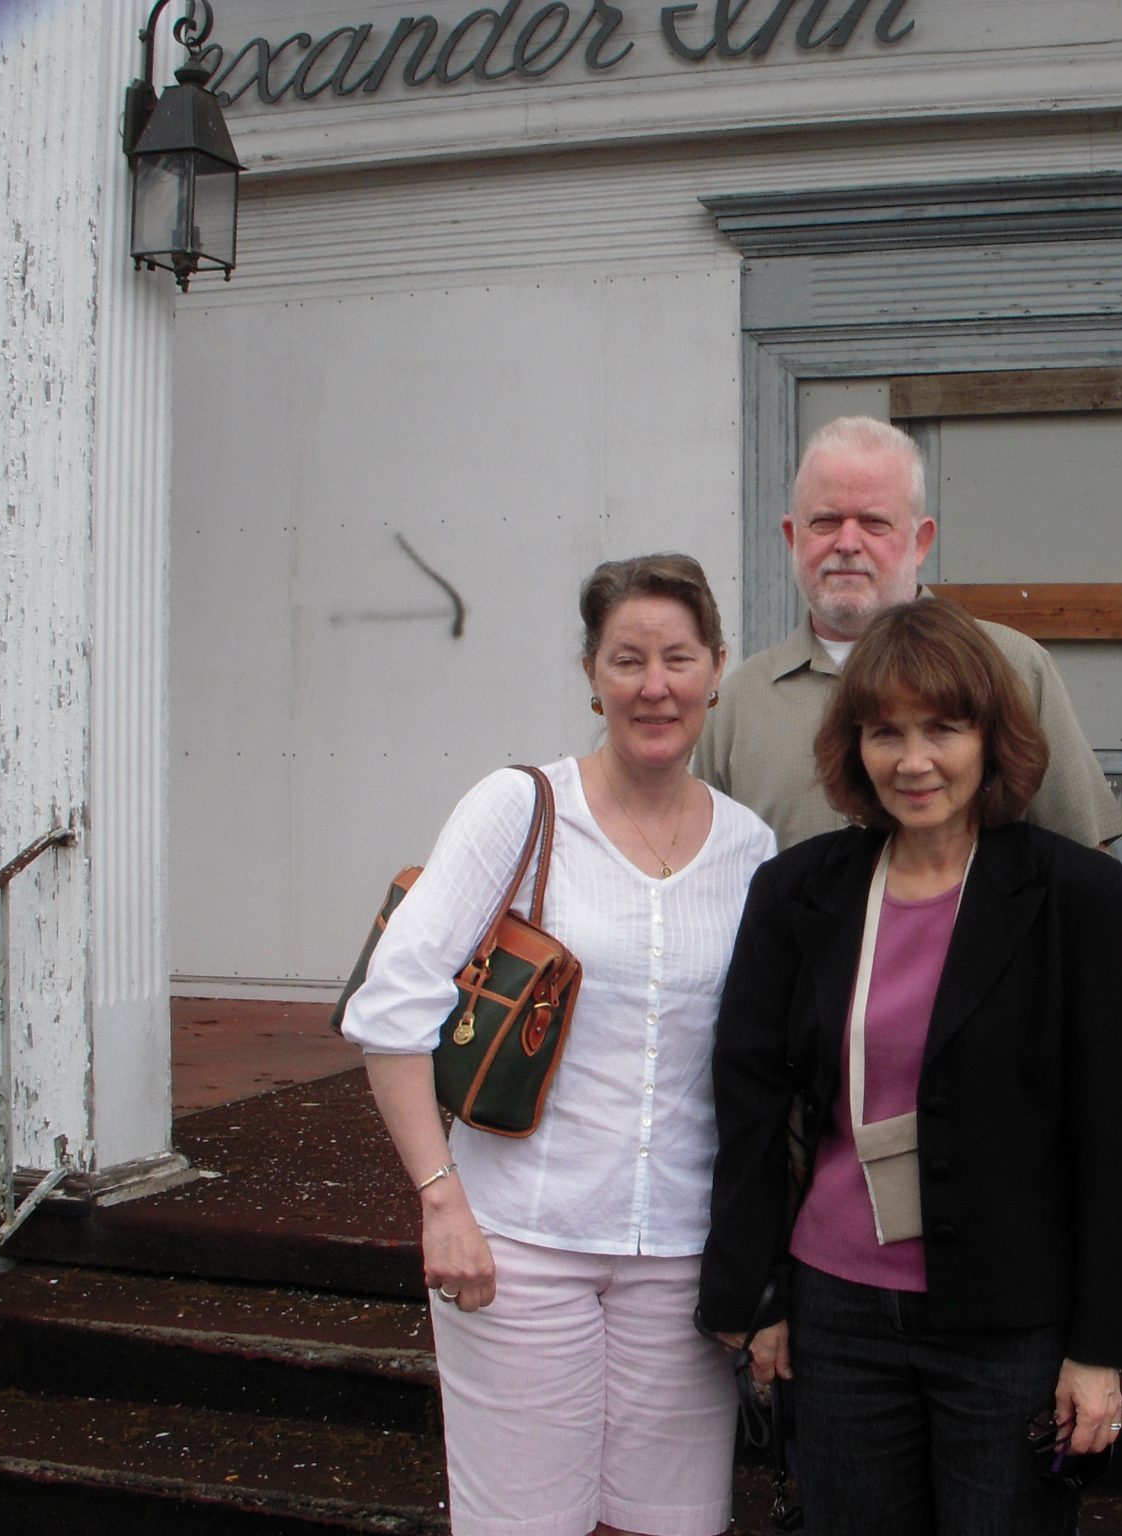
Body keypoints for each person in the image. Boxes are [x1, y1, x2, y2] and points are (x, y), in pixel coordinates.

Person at [340, 554, 776, 1536]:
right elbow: (391, 1008)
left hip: (679, 1256)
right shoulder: (522, 807)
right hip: (517, 1244)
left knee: (666, 1525)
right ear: (590, 672)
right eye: (627, 660)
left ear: (715, 667)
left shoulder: (751, 849)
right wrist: (438, 1200)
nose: (652, 686)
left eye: (676, 658)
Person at [699, 597, 1122, 1536]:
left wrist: (1099, 1351)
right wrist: (755, 1299)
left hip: (1010, 1326)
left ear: (992, 737)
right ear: (853, 746)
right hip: (838, 1316)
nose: (913, 761)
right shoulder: (799, 892)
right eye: (885, 732)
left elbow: (1110, 1139)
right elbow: (752, 1102)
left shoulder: (1073, 897)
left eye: (944, 727)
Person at [693, 414, 1122, 852]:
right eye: (825, 521)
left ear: (921, 541)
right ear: (792, 537)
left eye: (874, 523)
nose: (847, 542)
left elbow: (1086, 864)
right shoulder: (736, 706)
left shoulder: (1013, 667)